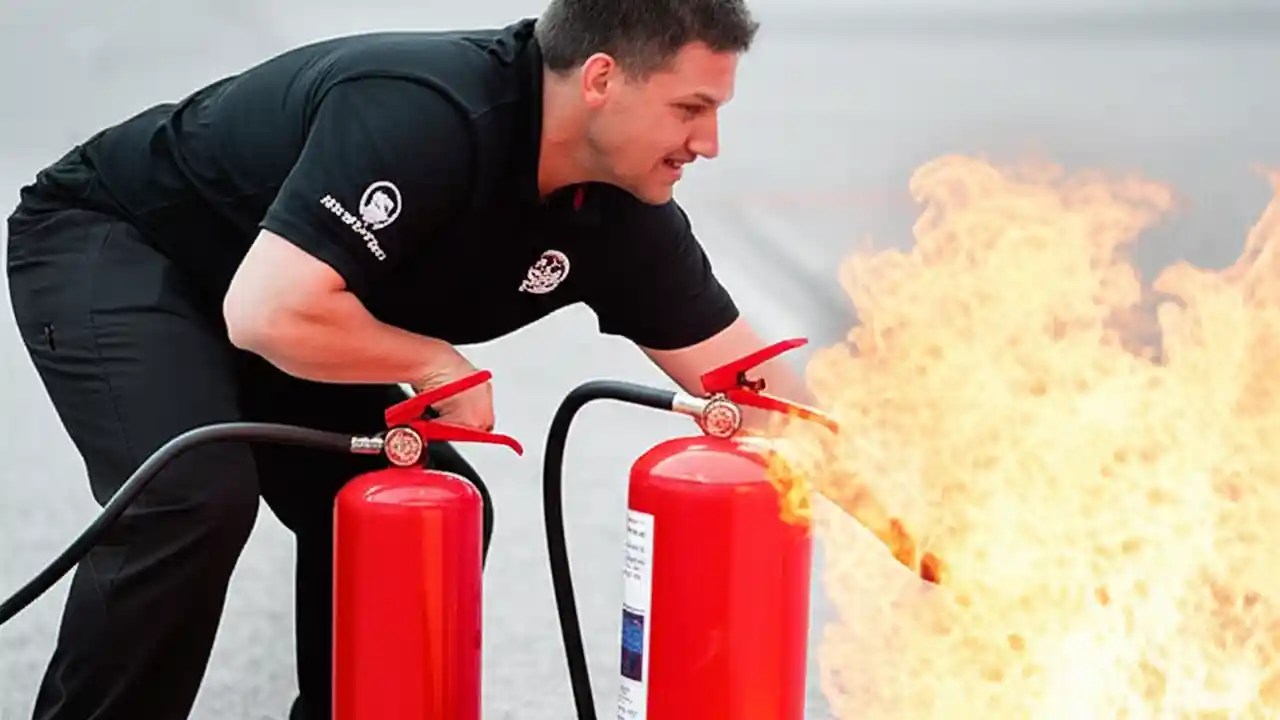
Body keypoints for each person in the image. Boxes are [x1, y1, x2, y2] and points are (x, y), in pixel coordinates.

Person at [4, 0, 809, 718]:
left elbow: (763, 392)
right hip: (125, 245)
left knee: (427, 502)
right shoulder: (427, 112)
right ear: (601, 78)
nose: (708, 143)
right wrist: (434, 364)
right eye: (691, 108)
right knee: (190, 497)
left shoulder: (625, 212)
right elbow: (267, 309)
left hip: (284, 309)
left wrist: (914, 516)